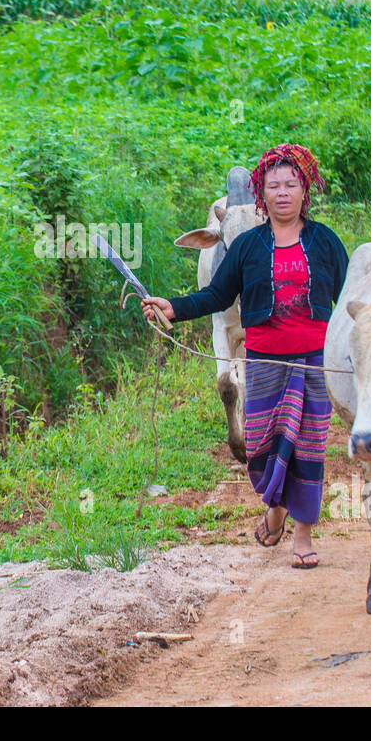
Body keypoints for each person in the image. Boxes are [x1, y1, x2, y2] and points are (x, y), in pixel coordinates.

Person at [143, 145, 349, 568]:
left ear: (305, 191)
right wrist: (175, 308)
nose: (283, 193)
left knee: (308, 449)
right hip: (263, 363)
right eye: (274, 186)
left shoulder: (326, 242)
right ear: (262, 195)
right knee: (261, 448)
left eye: (292, 184)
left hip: (313, 360)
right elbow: (217, 295)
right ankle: (275, 508)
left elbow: (348, 299)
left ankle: (303, 539)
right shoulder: (247, 245)